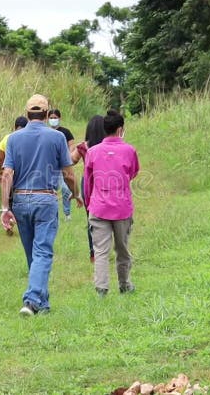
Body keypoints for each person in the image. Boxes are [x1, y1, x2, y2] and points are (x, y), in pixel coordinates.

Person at [0, 94, 82, 316]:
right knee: (43, 252)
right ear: (47, 115)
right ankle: (32, 300)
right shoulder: (56, 137)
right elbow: (68, 173)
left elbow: (7, 173)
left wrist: (5, 208)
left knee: (33, 255)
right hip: (45, 199)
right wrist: (76, 194)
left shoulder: (14, 138)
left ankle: (42, 304)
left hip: (20, 200)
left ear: (27, 114)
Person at [84, 110, 139, 297]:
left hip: (98, 207)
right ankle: (124, 284)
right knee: (122, 249)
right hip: (122, 208)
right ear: (120, 129)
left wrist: (88, 204)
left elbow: (88, 182)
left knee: (100, 250)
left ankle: (101, 289)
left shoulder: (92, 152)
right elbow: (132, 172)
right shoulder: (129, 150)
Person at [70, 115, 106, 263]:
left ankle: (93, 253)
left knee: (91, 218)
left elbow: (70, 160)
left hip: (88, 184)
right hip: (105, 181)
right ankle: (105, 247)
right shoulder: (107, 145)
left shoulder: (83, 147)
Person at [0, 116, 29, 236]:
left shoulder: (7, 138)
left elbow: (0, 158)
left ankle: (9, 223)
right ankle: (19, 221)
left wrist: (0, 173)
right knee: (19, 201)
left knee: (9, 200)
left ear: (15, 127)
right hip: (22, 177)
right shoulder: (29, 140)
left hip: (8, 175)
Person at [48, 108, 75, 220]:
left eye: (55, 118)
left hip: (63, 165)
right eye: (51, 118)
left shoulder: (66, 132)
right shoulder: (46, 132)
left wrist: (67, 159)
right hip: (50, 166)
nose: (53, 120)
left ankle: (67, 213)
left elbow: (72, 147)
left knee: (65, 189)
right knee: (51, 190)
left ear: (59, 118)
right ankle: (51, 214)